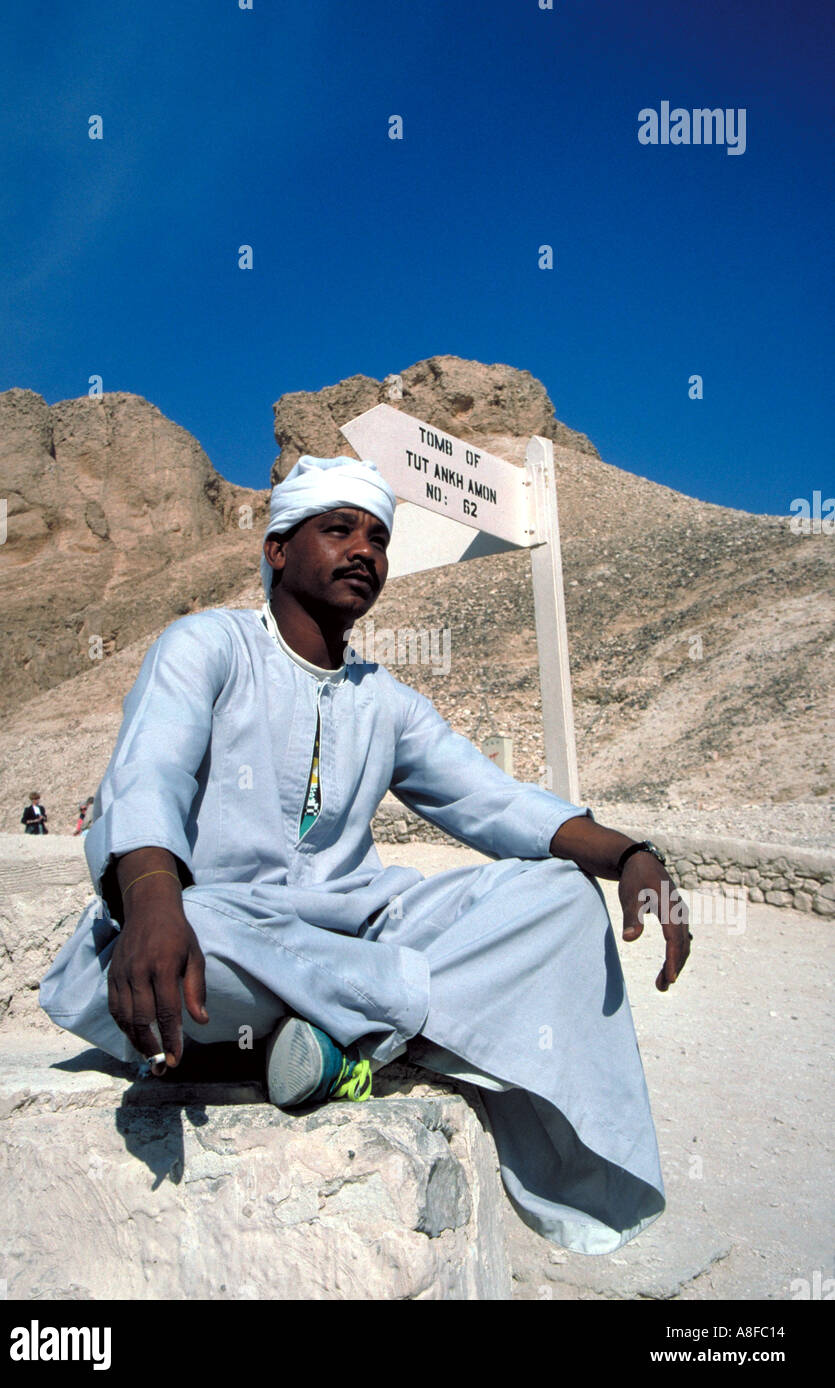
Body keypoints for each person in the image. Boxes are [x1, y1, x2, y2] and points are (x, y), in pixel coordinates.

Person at [40, 454, 691, 1254]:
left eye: (379, 538)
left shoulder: (385, 701)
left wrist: (628, 854)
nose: (364, 551)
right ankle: (374, 1029)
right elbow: (150, 769)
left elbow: (491, 801)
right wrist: (148, 898)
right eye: (339, 529)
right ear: (278, 548)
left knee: (555, 900)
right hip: (215, 930)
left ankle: (335, 1035)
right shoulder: (206, 645)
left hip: (349, 937)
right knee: (197, 939)